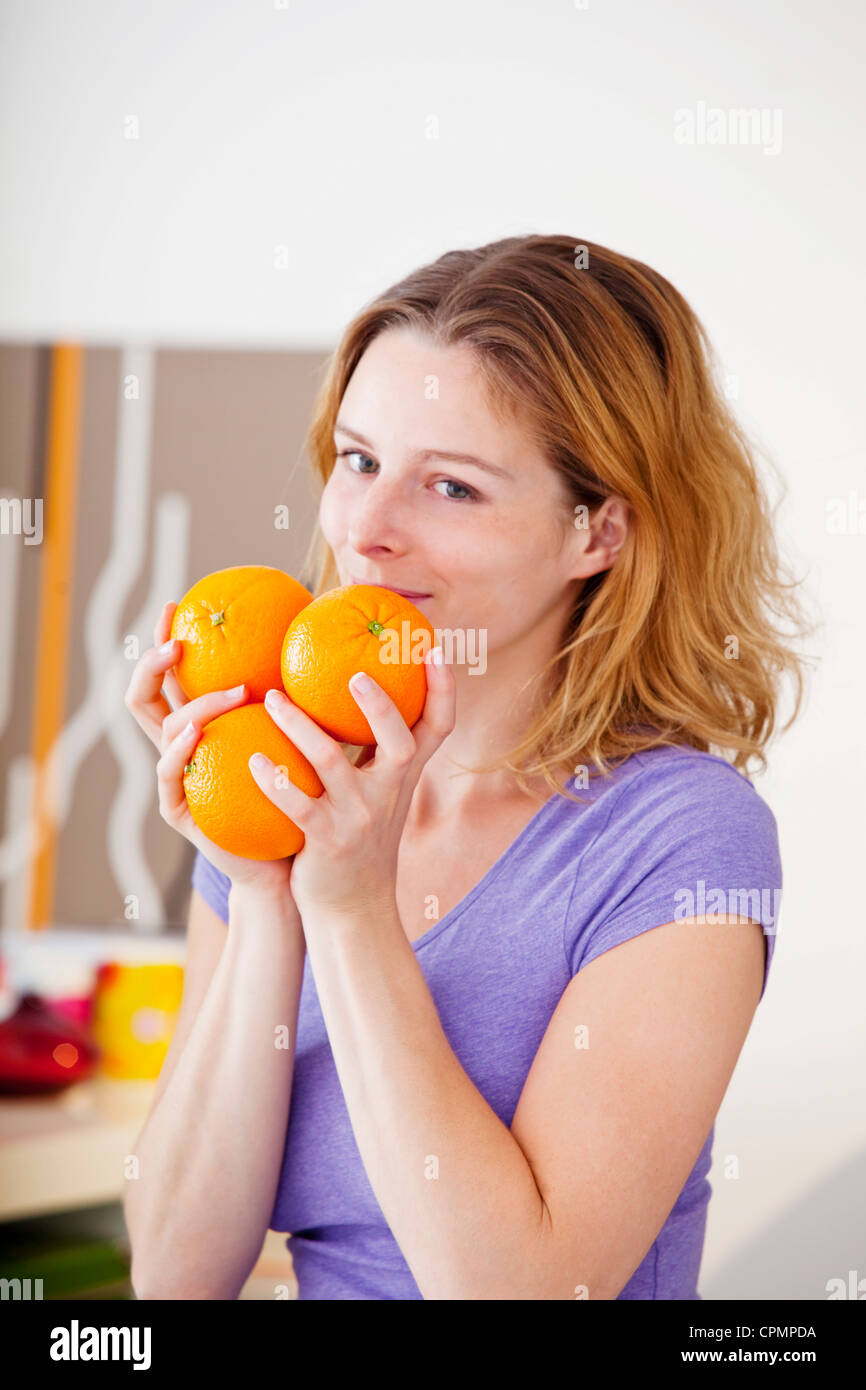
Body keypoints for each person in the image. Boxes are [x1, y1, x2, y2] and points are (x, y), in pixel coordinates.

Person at [123, 234, 812, 1300]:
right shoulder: (288, 782)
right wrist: (265, 889)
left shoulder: (677, 835)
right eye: (357, 460)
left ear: (599, 533)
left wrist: (349, 915)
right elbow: (173, 1275)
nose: (366, 531)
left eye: (448, 486)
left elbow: (525, 1292)